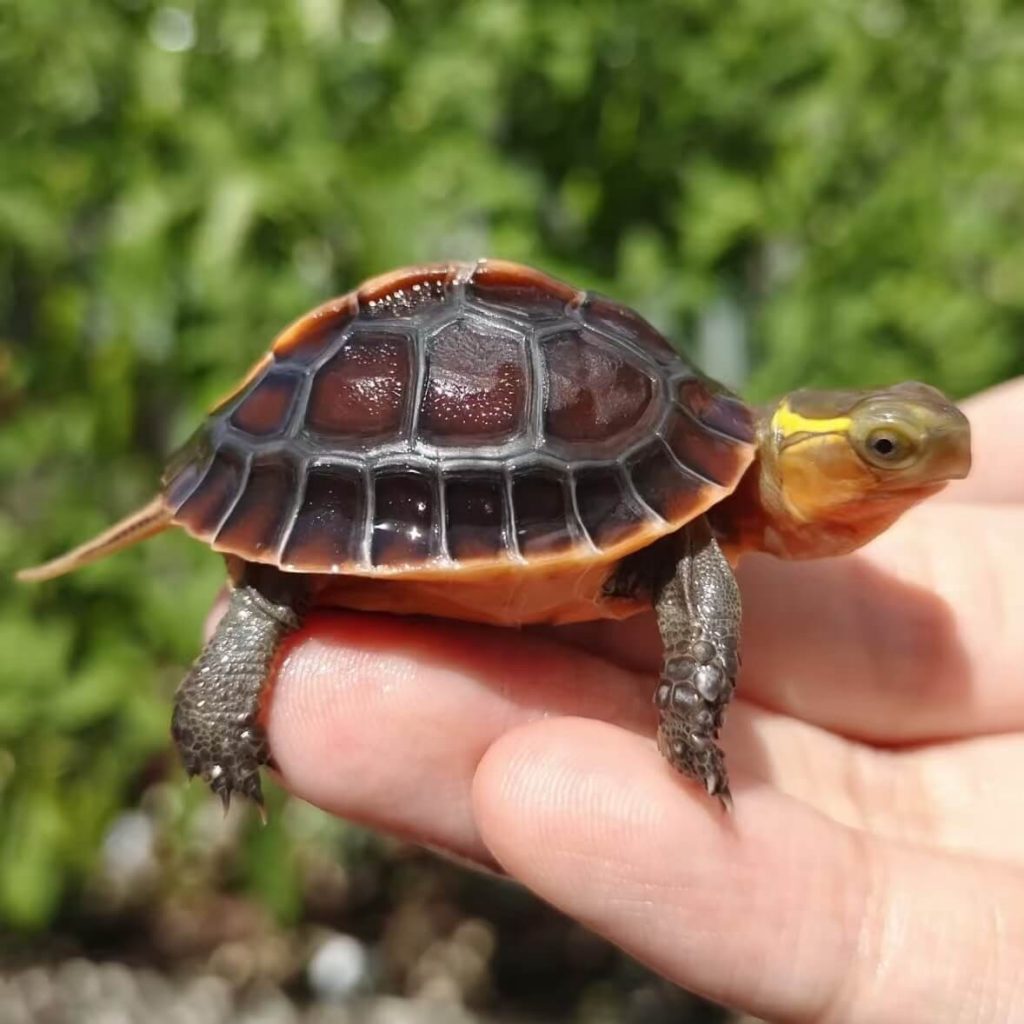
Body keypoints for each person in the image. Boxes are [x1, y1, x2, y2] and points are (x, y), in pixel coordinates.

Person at [218, 377, 1024, 1022]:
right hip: (375, 455)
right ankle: (231, 674)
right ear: (788, 456)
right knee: (279, 591)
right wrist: (692, 715)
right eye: (884, 449)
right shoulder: (696, 530)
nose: (906, 466)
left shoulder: (696, 527)